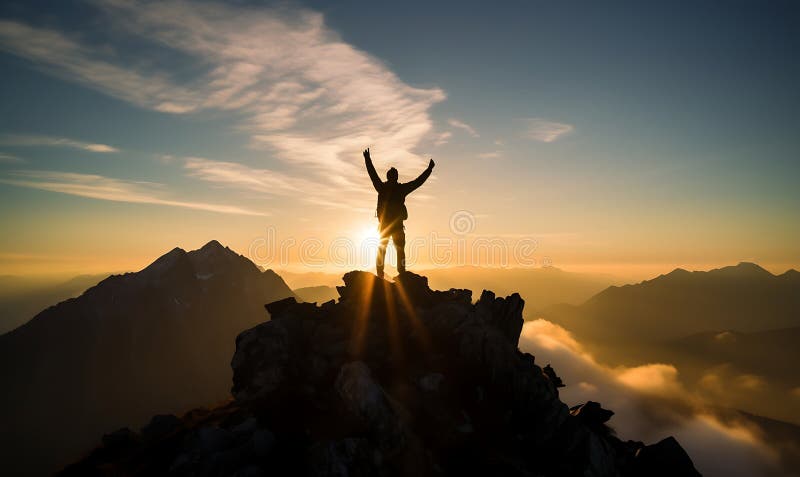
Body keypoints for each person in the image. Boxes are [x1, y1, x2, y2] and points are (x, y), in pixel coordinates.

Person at [363, 148, 434, 278]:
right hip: (397, 226)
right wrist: (429, 170)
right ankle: (401, 273)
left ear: (388, 177)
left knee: (382, 249)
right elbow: (418, 182)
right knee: (399, 250)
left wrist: (367, 159)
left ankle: (381, 273)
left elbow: (372, 174)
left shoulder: (382, 188)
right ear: (396, 177)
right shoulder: (401, 189)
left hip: (384, 225)